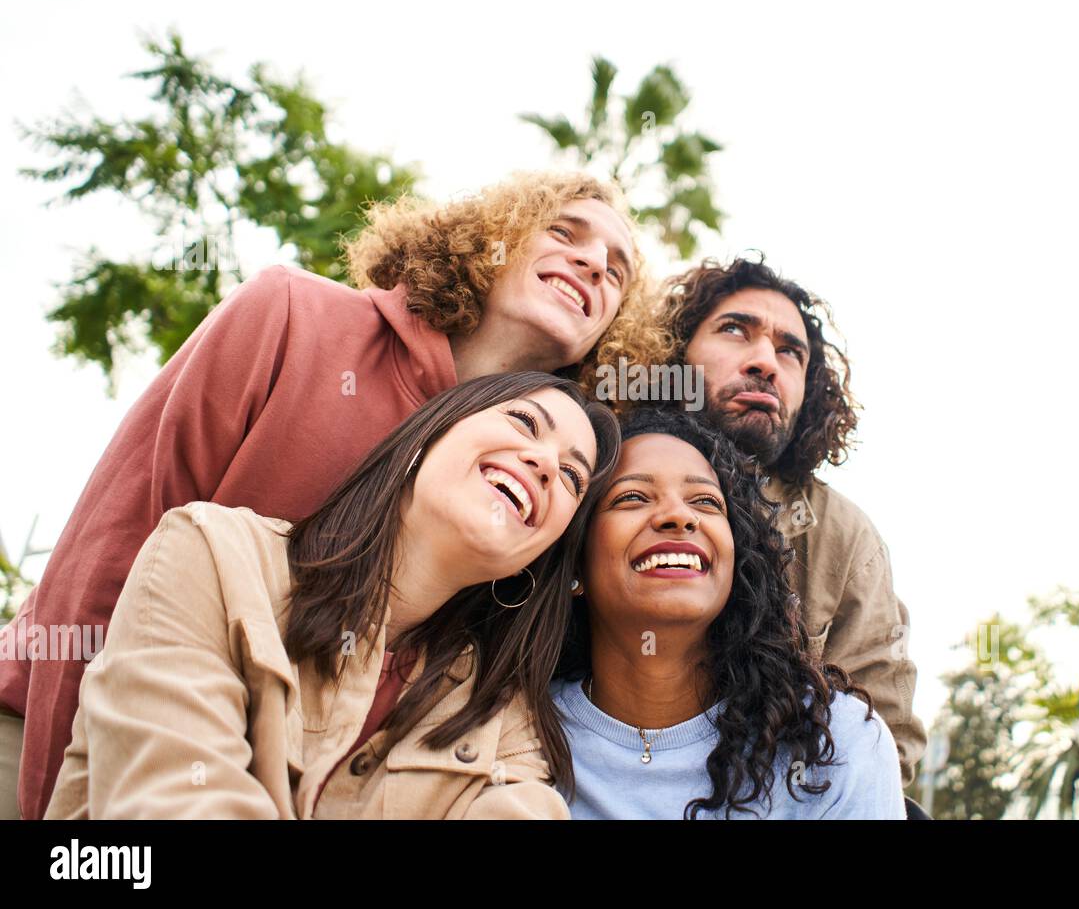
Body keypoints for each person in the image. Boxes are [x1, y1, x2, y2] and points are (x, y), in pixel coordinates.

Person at [1, 169, 669, 820]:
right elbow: (114, 541)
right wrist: (69, 788)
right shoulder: (291, 314)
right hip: (59, 727)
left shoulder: (526, 492)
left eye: (616, 271)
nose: (592, 266)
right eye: (566, 233)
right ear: (493, 236)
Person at [46, 371, 619, 818]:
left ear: (538, 556)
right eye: (524, 422)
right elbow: (174, 798)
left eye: (571, 476)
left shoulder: (506, 724)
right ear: (428, 435)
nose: (545, 463)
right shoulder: (213, 554)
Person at [552, 408, 905, 819]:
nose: (679, 517)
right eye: (632, 497)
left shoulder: (838, 744)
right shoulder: (516, 738)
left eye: (705, 501)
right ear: (575, 565)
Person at [659, 255, 927, 787]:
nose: (765, 362)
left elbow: (884, 747)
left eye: (790, 351)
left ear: (808, 393)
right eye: (735, 330)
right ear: (674, 355)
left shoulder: (844, 537)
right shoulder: (593, 467)